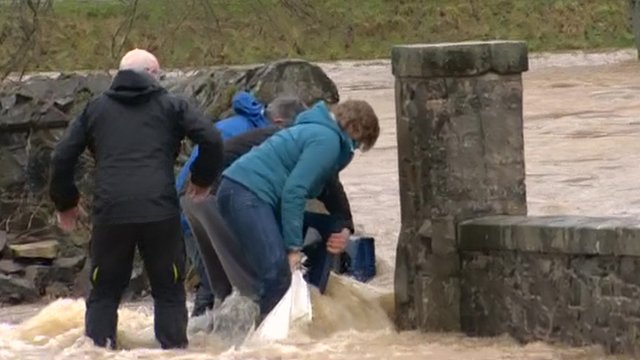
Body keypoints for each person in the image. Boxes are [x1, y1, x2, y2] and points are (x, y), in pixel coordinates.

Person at [48, 48, 224, 350]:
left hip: (112, 212)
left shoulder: (96, 109)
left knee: (104, 293)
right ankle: (174, 351)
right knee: (168, 292)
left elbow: (62, 156)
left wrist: (66, 202)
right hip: (159, 212)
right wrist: (202, 179)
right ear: (153, 75)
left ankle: (97, 352)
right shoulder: (172, 105)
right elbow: (211, 138)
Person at [180, 97, 356, 315]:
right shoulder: (291, 138)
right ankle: (265, 326)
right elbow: (327, 186)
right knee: (254, 278)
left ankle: (209, 330)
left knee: (220, 280)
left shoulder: (261, 130)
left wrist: (344, 223)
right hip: (209, 193)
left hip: (191, 195)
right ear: (282, 122)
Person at [215, 99, 380, 319]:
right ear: (355, 129)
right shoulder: (327, 141)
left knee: (328, 228)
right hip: (246, 194)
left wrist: (343, 229)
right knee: (277, 274)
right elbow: (294, 191)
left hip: (242, 193)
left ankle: (286, 321)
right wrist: (293, 249)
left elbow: (327, 190)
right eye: (358, 144)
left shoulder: (315, 130)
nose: (355, 149)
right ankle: (265, 345)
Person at [179, 95, 300, 317]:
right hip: (200, 201)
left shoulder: (238, 124)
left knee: (215, 285)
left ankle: (203, 341)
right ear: (281, 122)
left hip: (190, 203)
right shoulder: (263, 134)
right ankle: (213, 337)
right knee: (222, 285)